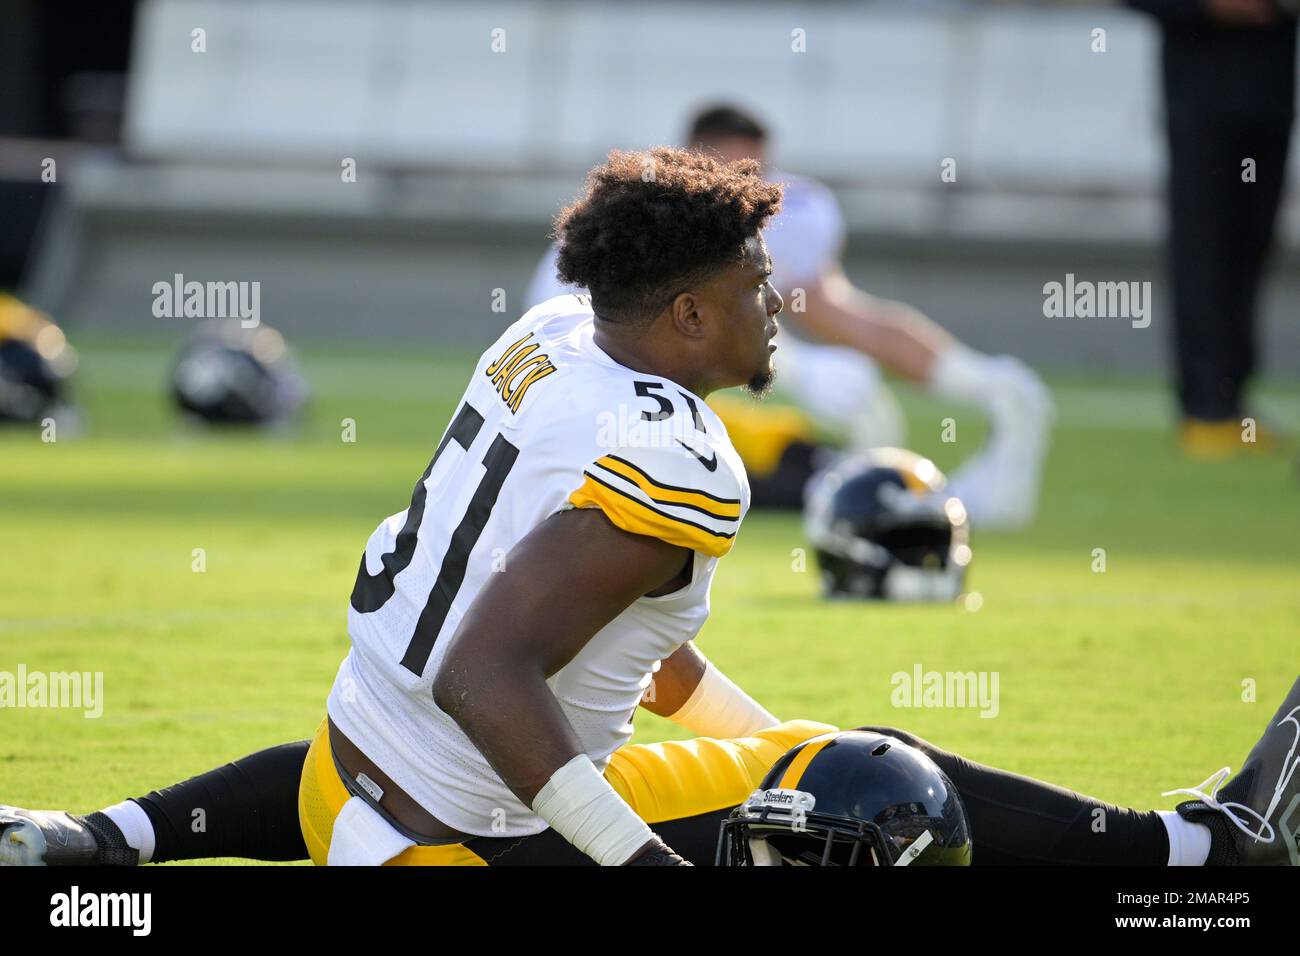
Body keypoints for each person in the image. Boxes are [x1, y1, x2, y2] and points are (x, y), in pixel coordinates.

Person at [3, 148, 1296, 866]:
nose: (780, 302)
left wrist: (778, 737)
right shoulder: (682, 453)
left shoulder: (558, 333)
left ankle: (105, 840)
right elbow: (490, 672)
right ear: (687, 316)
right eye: (757, 282)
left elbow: (605, 628)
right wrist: (640, 868)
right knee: (876, 798)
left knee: (806, 760)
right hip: (462, 832)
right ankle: (1200, 861)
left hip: (349, 774)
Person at [527, 105, 1053, 527]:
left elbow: (841, 313)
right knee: (793, 482)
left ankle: (907, 503)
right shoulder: (632, 228)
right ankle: (910, 512)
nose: (745, 189)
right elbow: (619, 342)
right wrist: (803, 373)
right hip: (617, 425)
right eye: (731, 172)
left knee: (822, 464)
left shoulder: (771, 216)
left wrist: (974, 378)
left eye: (756, 174)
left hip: (694, 414)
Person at [1127, 0, 1295, 457]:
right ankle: (1204, 406)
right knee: (1204, 249)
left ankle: (1231, 401)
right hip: (1200, 95)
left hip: (1271, 92)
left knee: (1252, 248)